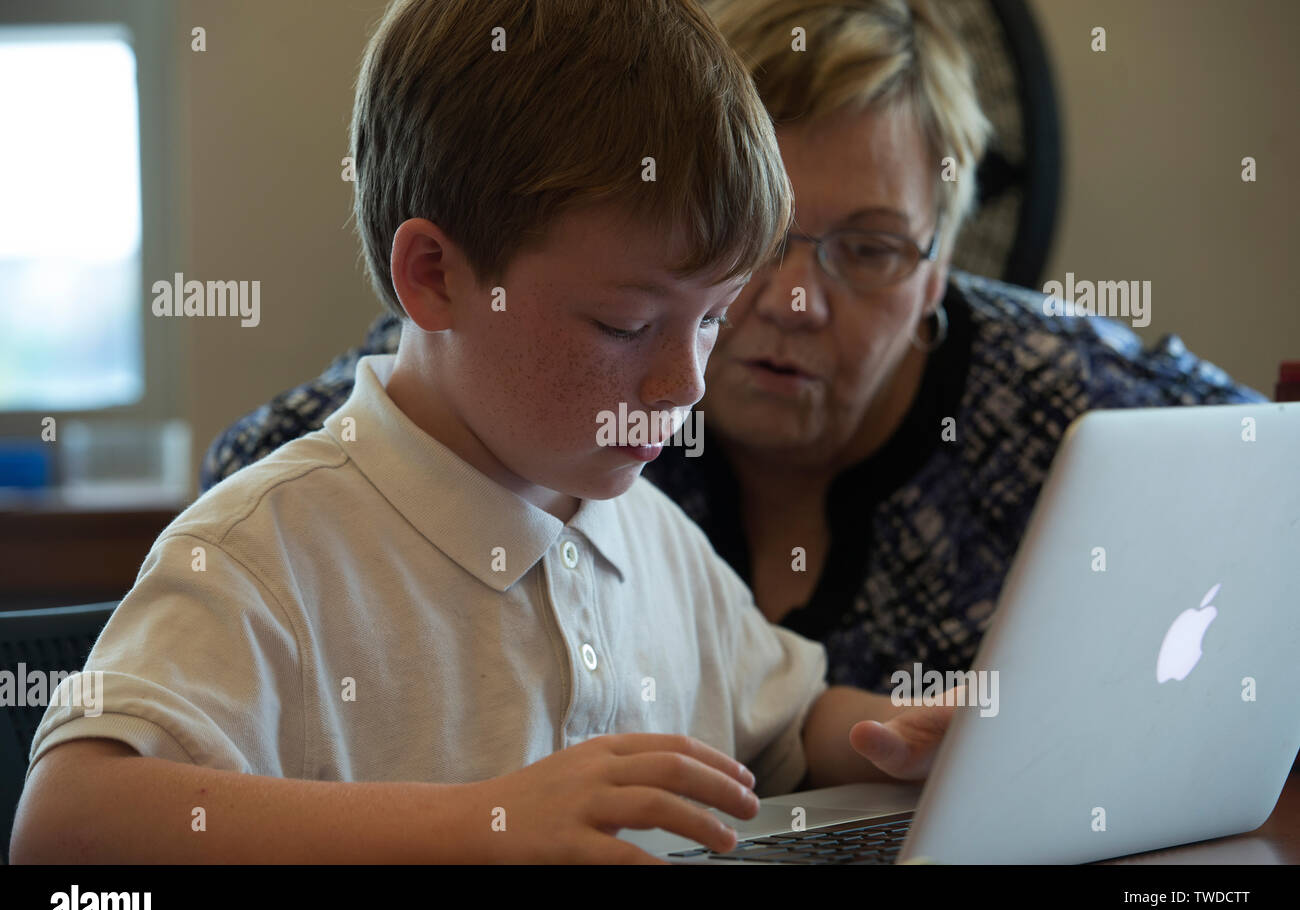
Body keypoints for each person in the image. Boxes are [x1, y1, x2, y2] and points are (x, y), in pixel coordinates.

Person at [11, 0, 959, 866]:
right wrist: (481, 823)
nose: (685, 382)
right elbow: (65, 826)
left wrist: (909, 735)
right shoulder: (267, 554)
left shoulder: (648, 532)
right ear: (433, 277)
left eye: (712, 318)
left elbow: (790, 719)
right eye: (626, 326)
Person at [200, 0, 1267, 695]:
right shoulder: (550, 398)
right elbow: (293, 478)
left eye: (875, 249)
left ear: (944, 267)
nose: (797, 301)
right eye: (760, 249)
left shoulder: (1077, 401)